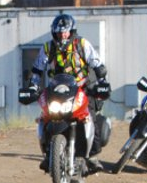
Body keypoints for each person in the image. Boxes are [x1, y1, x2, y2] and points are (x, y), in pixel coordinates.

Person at [27, 14, 111, 172]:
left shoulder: (82, 44)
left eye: (65, 32)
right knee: (45, 117)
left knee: (90, 117)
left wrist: (102, 82)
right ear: (54, 33)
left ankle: (92, 156)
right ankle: (48, 153)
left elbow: (97, 65)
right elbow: (37, 70)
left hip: (81, 88)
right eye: (59, 32)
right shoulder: (47, 48)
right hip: (56, 90)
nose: (62, 35)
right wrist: (33, 86)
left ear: (71, 31)